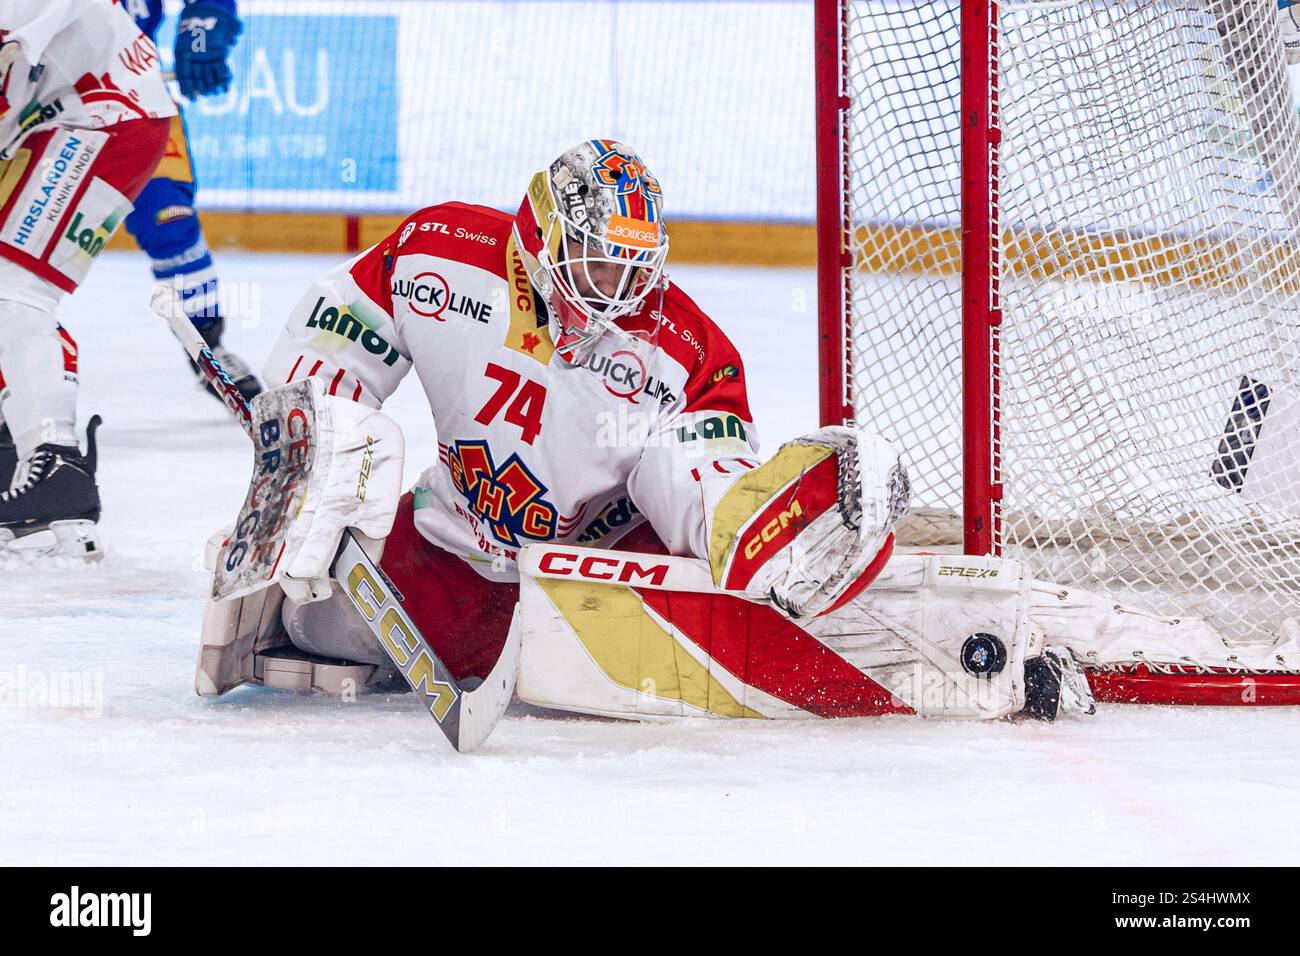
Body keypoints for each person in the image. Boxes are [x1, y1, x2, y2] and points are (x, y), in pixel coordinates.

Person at [200, 139, 906, 693]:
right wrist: (319, 443)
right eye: (598, 264)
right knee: (311, 618)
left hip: (596, 577)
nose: (618, 292)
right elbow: (334, 345)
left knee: (710, 587)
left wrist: (754, 520)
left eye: (635, 270)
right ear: (541, 240)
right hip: (449, 552)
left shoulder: (687, 352)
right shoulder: (438, 255)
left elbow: (695, 475)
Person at [0, 0, 175, 557]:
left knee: (15, 286)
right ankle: (14, 450)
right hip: (68, 117)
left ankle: (55, 463)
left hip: (105, 118)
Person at [122, 0, 262, 401]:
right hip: (37, 102)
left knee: (171, 219)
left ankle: (206, 345)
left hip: (136, 94)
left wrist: (204, 25)